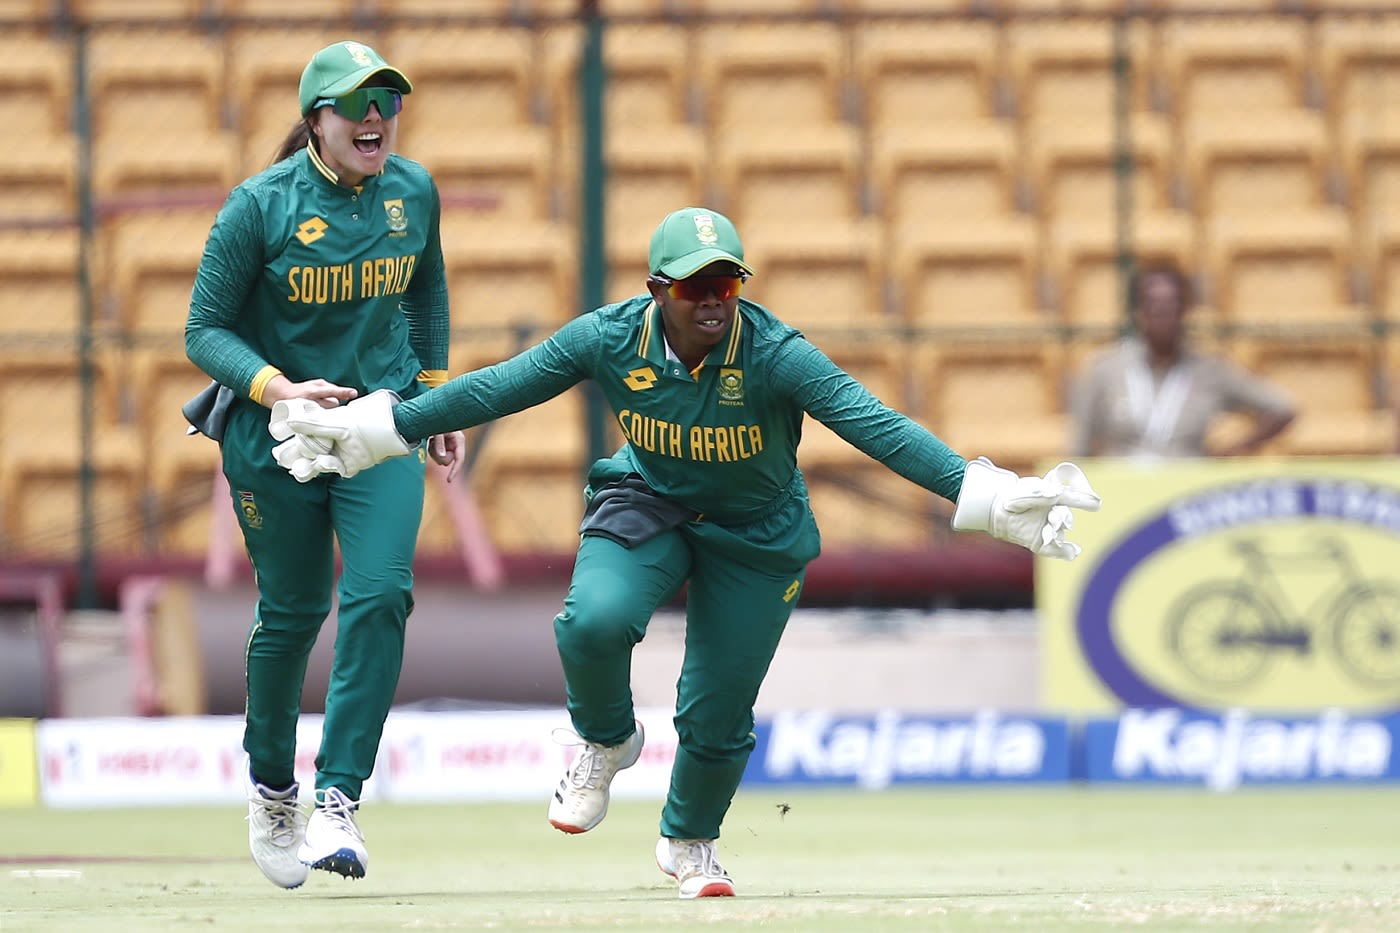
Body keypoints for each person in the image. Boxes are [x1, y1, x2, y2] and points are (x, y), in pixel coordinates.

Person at [267, 207, 1102, 899]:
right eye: (696, 286)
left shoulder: (773, 351)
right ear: (657, 291)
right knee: (591, 622)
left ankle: (689, 839)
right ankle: (605, 739)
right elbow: (498, 386)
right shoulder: (608, 337)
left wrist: (984, 494)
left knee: (716, 713)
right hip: (649, 499)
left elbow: (871, 422)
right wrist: (380, 431)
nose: (713, 300)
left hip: (758, 530)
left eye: (727, 283)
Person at [183, 39, 465, 888]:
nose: (375, 116)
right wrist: (278, 388)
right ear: (316, 120)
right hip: (276, 434)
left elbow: (427, 288)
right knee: (294, 611)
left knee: (381, 592)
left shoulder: (413, 190)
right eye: (356, 103)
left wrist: (435, 394)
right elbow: (203, 330)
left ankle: (338, 799)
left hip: (380, 423)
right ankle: (274, 788)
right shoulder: (257, 206)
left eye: (388, 100)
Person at [1070, 263, 1296, 459]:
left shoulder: (1211, 371)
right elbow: (1080, 447)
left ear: (1184, 312)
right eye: (1154, 307)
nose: (1163, 316)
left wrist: (1235, 450)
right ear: (1138, 312)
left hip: (1187, 486)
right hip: (1122, 486)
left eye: (1171, 307)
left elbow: (1282, 408)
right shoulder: (1105, 369)